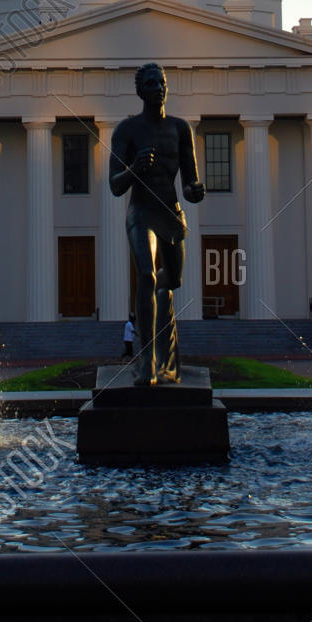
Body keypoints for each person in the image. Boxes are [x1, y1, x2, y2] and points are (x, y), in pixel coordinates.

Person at [109, 63, 204, 385]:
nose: (159, 88)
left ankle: (166, 354)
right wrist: (135, 168)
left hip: (171, 213)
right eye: (151, 84)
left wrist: (195, 190)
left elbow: (191, 180)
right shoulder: (127, 130)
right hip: (141, 212)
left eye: (162, 83)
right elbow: (115, 185)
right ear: (141, 91)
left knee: (171, 282)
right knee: (147, 276)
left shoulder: (180, 129)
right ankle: (148, 361)